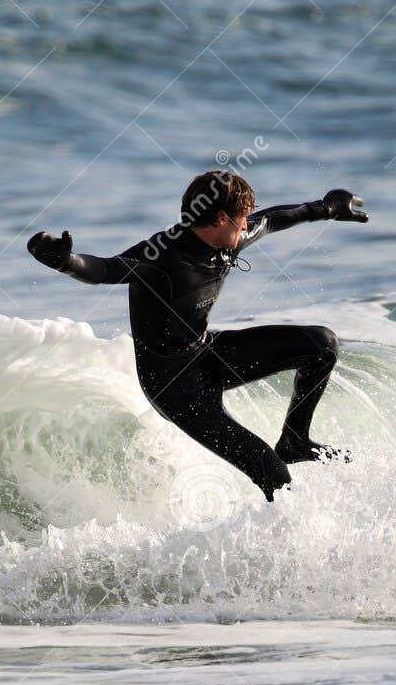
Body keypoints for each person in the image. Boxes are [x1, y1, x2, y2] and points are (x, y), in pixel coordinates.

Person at [26, 169, 369, 500]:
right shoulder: (161, 255)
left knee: (321, 344)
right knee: (272, 472)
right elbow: (106, 269)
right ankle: (285, 551)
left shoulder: (227, 238)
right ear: (221, 218)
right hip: (174, 386)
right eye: (241, 217)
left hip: (205, 353)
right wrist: (67, 262)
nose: (247, 224)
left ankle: (295, 440)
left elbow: (272, 220)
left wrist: (324, 208)